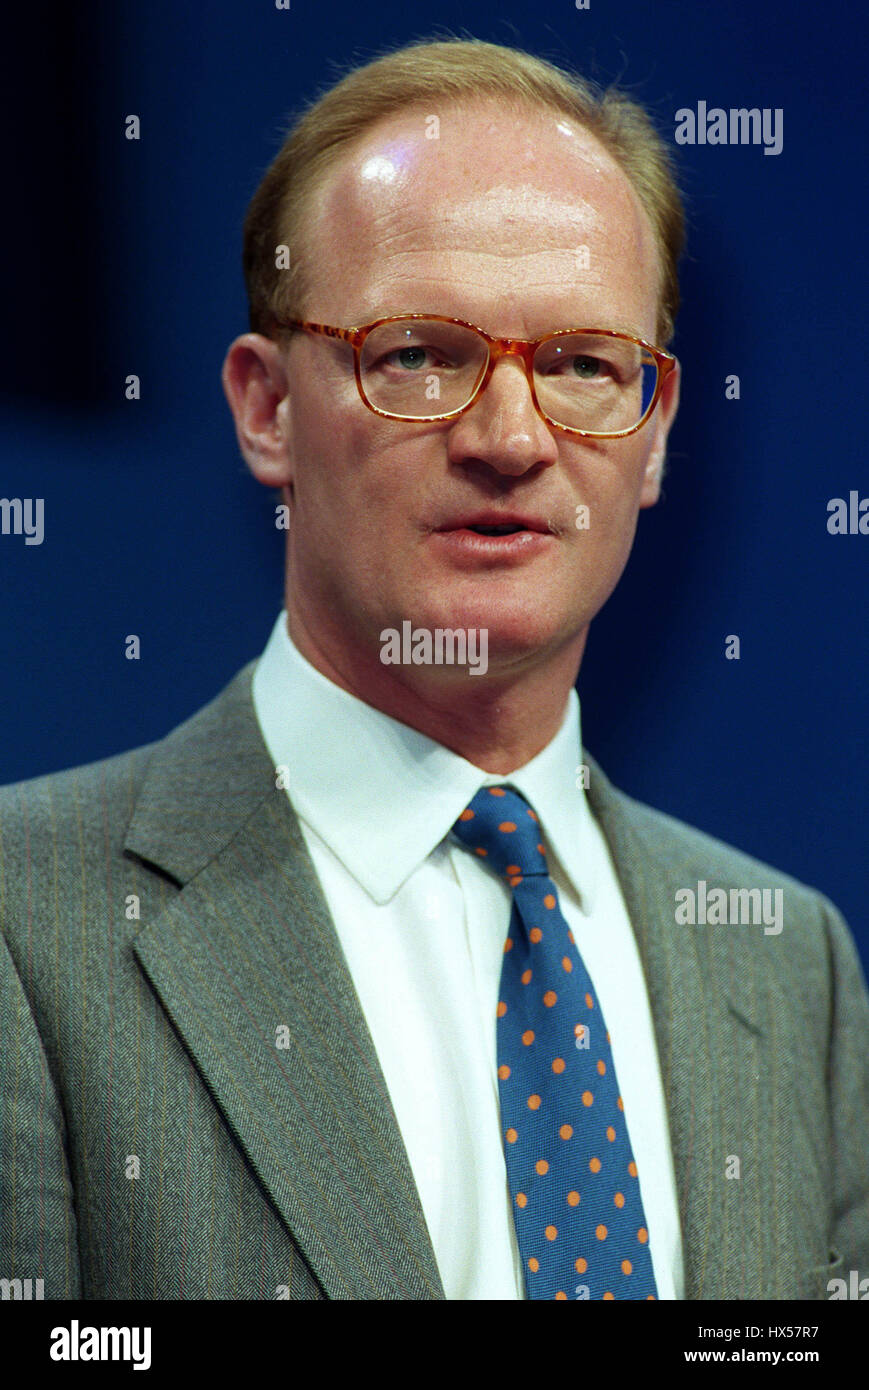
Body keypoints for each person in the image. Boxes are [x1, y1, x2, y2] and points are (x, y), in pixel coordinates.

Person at [1, 37, 866, 1303]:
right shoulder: (30, 926)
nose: (510, 438)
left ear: (655, 432)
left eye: (581, 364)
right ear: (266, 410)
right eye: (417, 355)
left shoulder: (789, 965)